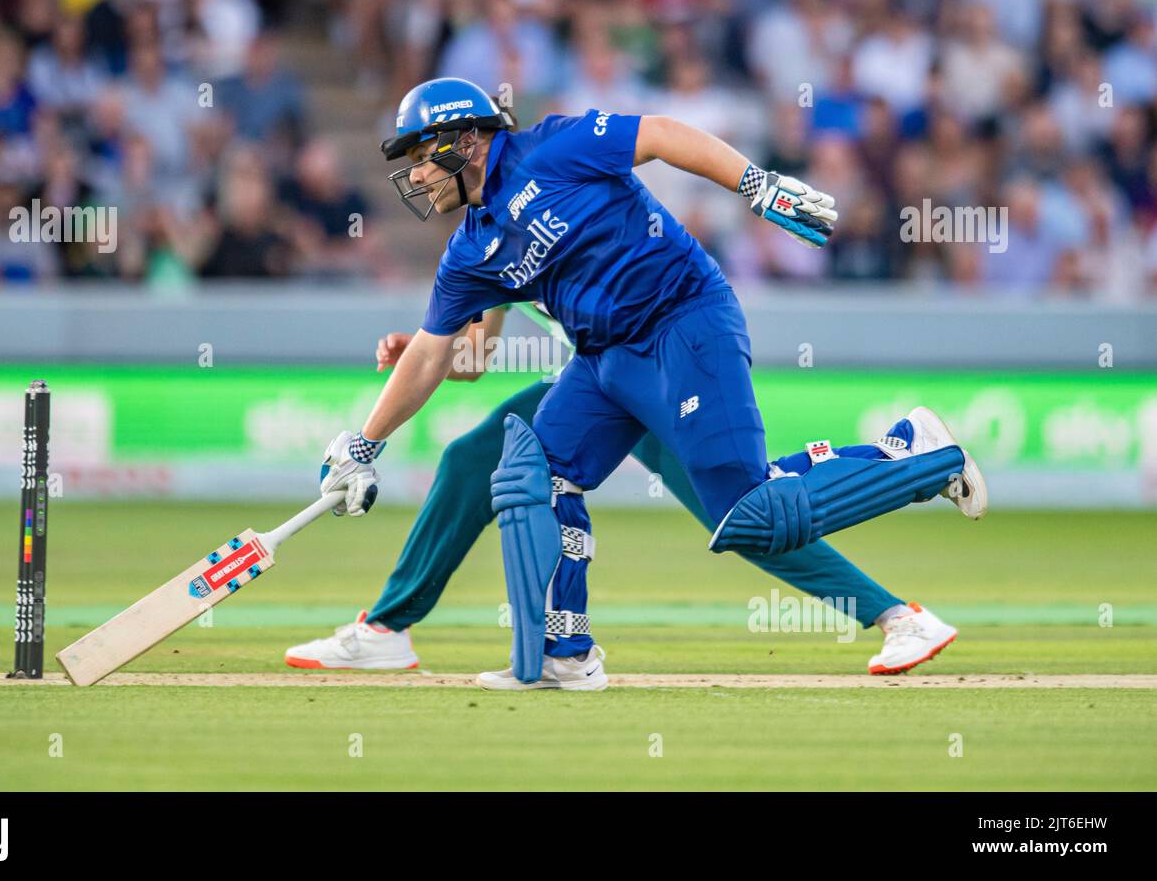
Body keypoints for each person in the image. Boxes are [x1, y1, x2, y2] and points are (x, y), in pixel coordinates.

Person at [309, 77, 987, 691]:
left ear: (464, 141)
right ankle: (562, 652)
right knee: (531, 472)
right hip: (604, 361)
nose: (418, 175)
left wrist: (760, 187)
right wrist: (366, 442)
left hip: (681, 323)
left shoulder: (552, 149)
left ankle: (913, 457)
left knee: (749, 513)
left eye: (424, 155)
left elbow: (659, 135)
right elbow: (451, 357)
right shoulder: (472, 251)